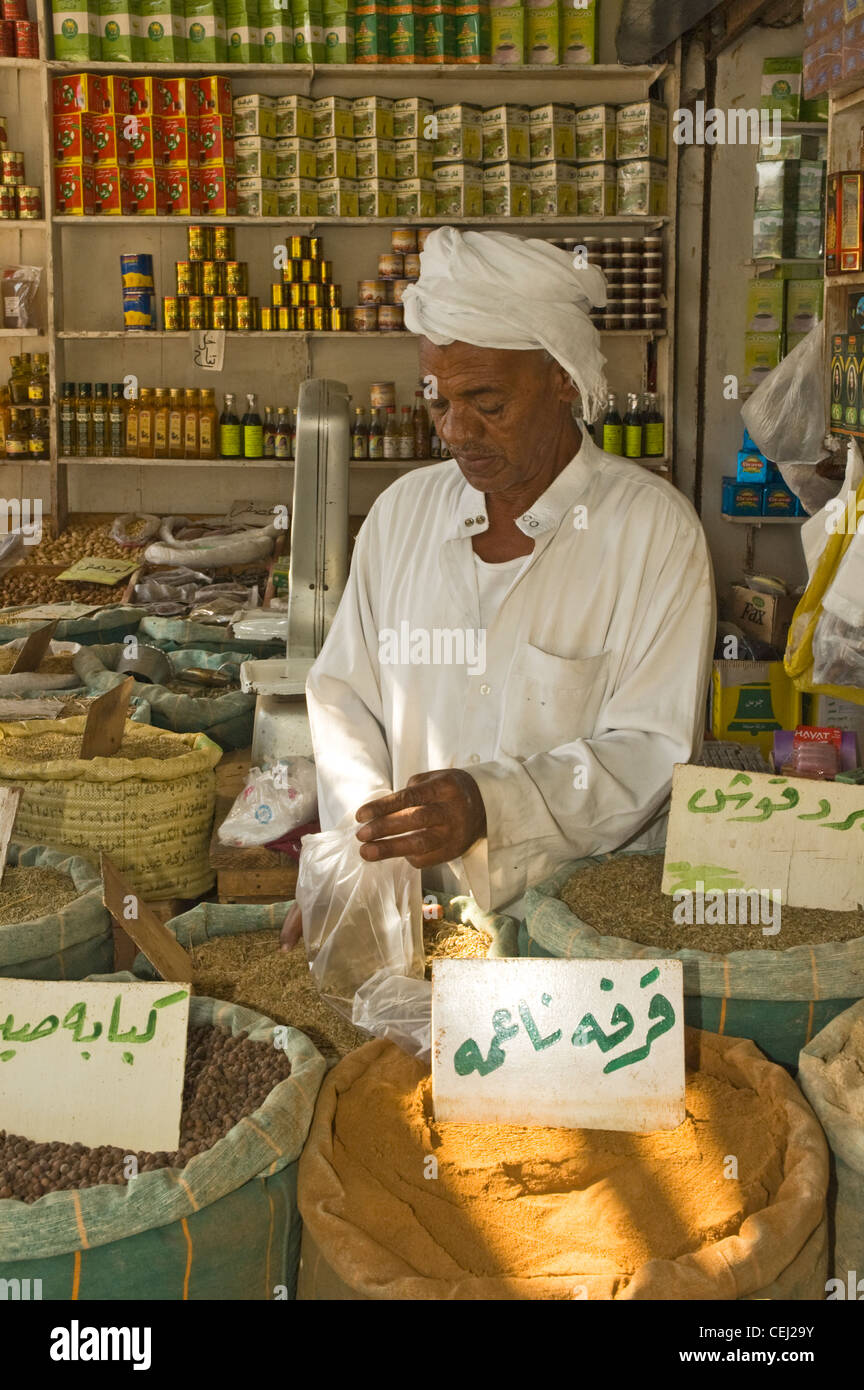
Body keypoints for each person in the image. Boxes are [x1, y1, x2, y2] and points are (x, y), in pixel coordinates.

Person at [282, 228, 715, 947]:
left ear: (562, 380)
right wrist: (365, 859)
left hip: (582, 928)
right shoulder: (402, 516)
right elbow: (345, 701)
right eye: (439, 401)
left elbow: (652, 747)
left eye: (487, 401)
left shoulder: (652, 533)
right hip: (418, 918)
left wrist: (493, 804)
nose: (457, 430)